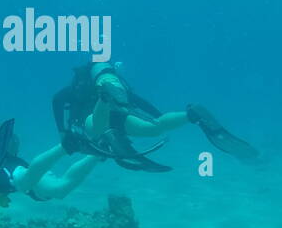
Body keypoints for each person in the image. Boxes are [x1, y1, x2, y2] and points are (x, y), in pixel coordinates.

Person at [51, 59, 258, 171]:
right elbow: (140, 102)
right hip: (121, 113)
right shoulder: (117, 85)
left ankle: (103, 101)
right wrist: (160, 118)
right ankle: (191, 115)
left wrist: (62, 131)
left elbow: (56, 100)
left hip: (96, 117)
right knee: (153, 129)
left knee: (95, 129)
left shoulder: (75, 89)